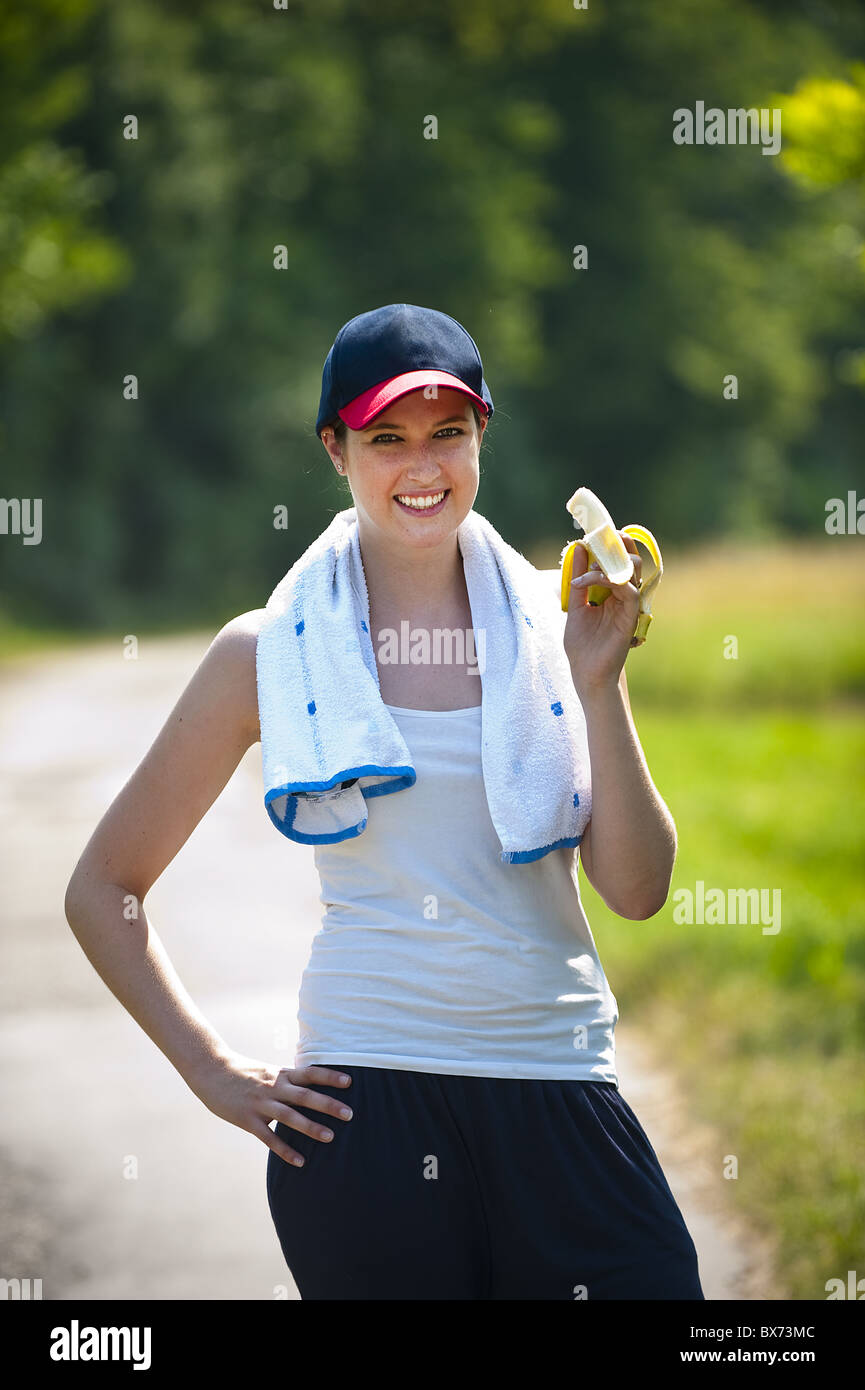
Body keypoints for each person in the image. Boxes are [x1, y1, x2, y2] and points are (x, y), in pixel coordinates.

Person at [65, 302, 704, 1301]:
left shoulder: (556, 616)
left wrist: (598, 683)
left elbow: (637, 889)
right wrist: (214, 1072)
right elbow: (104, 887)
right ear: (336, 449)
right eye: (385, 438)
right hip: (369, 1117)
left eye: (447, 432)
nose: (422, 466)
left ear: (481, 434)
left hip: (559, 1083)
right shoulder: (267, 652)